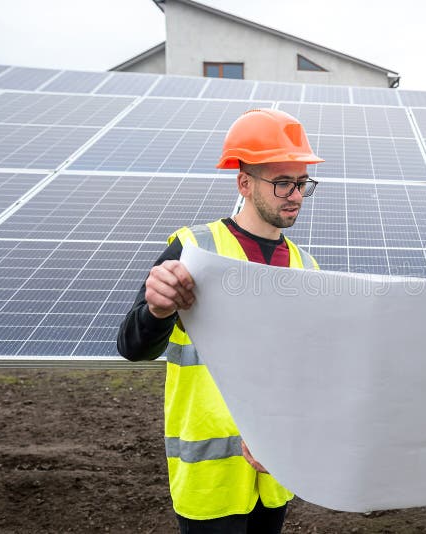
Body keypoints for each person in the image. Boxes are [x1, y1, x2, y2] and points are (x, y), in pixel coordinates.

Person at [117, 108, 323, 534]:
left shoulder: (308, 268)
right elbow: (134, 347)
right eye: (283, 182)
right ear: (244, 183)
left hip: (275, 472)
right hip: (209, 477)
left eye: (302, 183)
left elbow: (311, 374)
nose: (296, 195)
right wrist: (157, 310)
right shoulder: (193, 250)